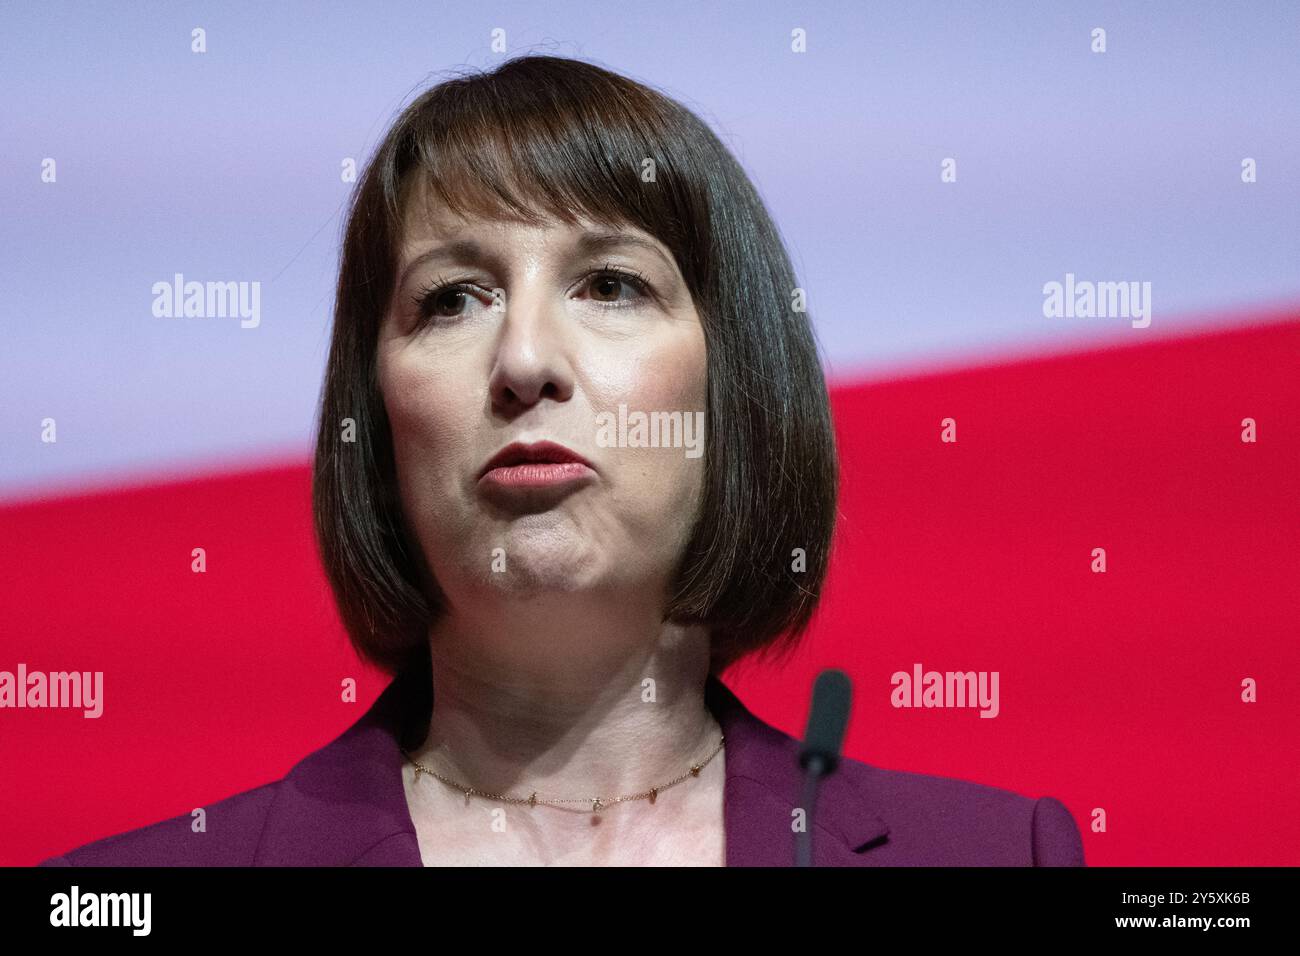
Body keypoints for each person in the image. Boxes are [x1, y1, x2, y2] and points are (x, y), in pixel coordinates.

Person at [41, 54, 1084, 867]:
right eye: (451, 298)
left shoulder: (1001, 854)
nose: (524, 360)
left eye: (611, 284)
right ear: (377, 411)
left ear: (735, 389)